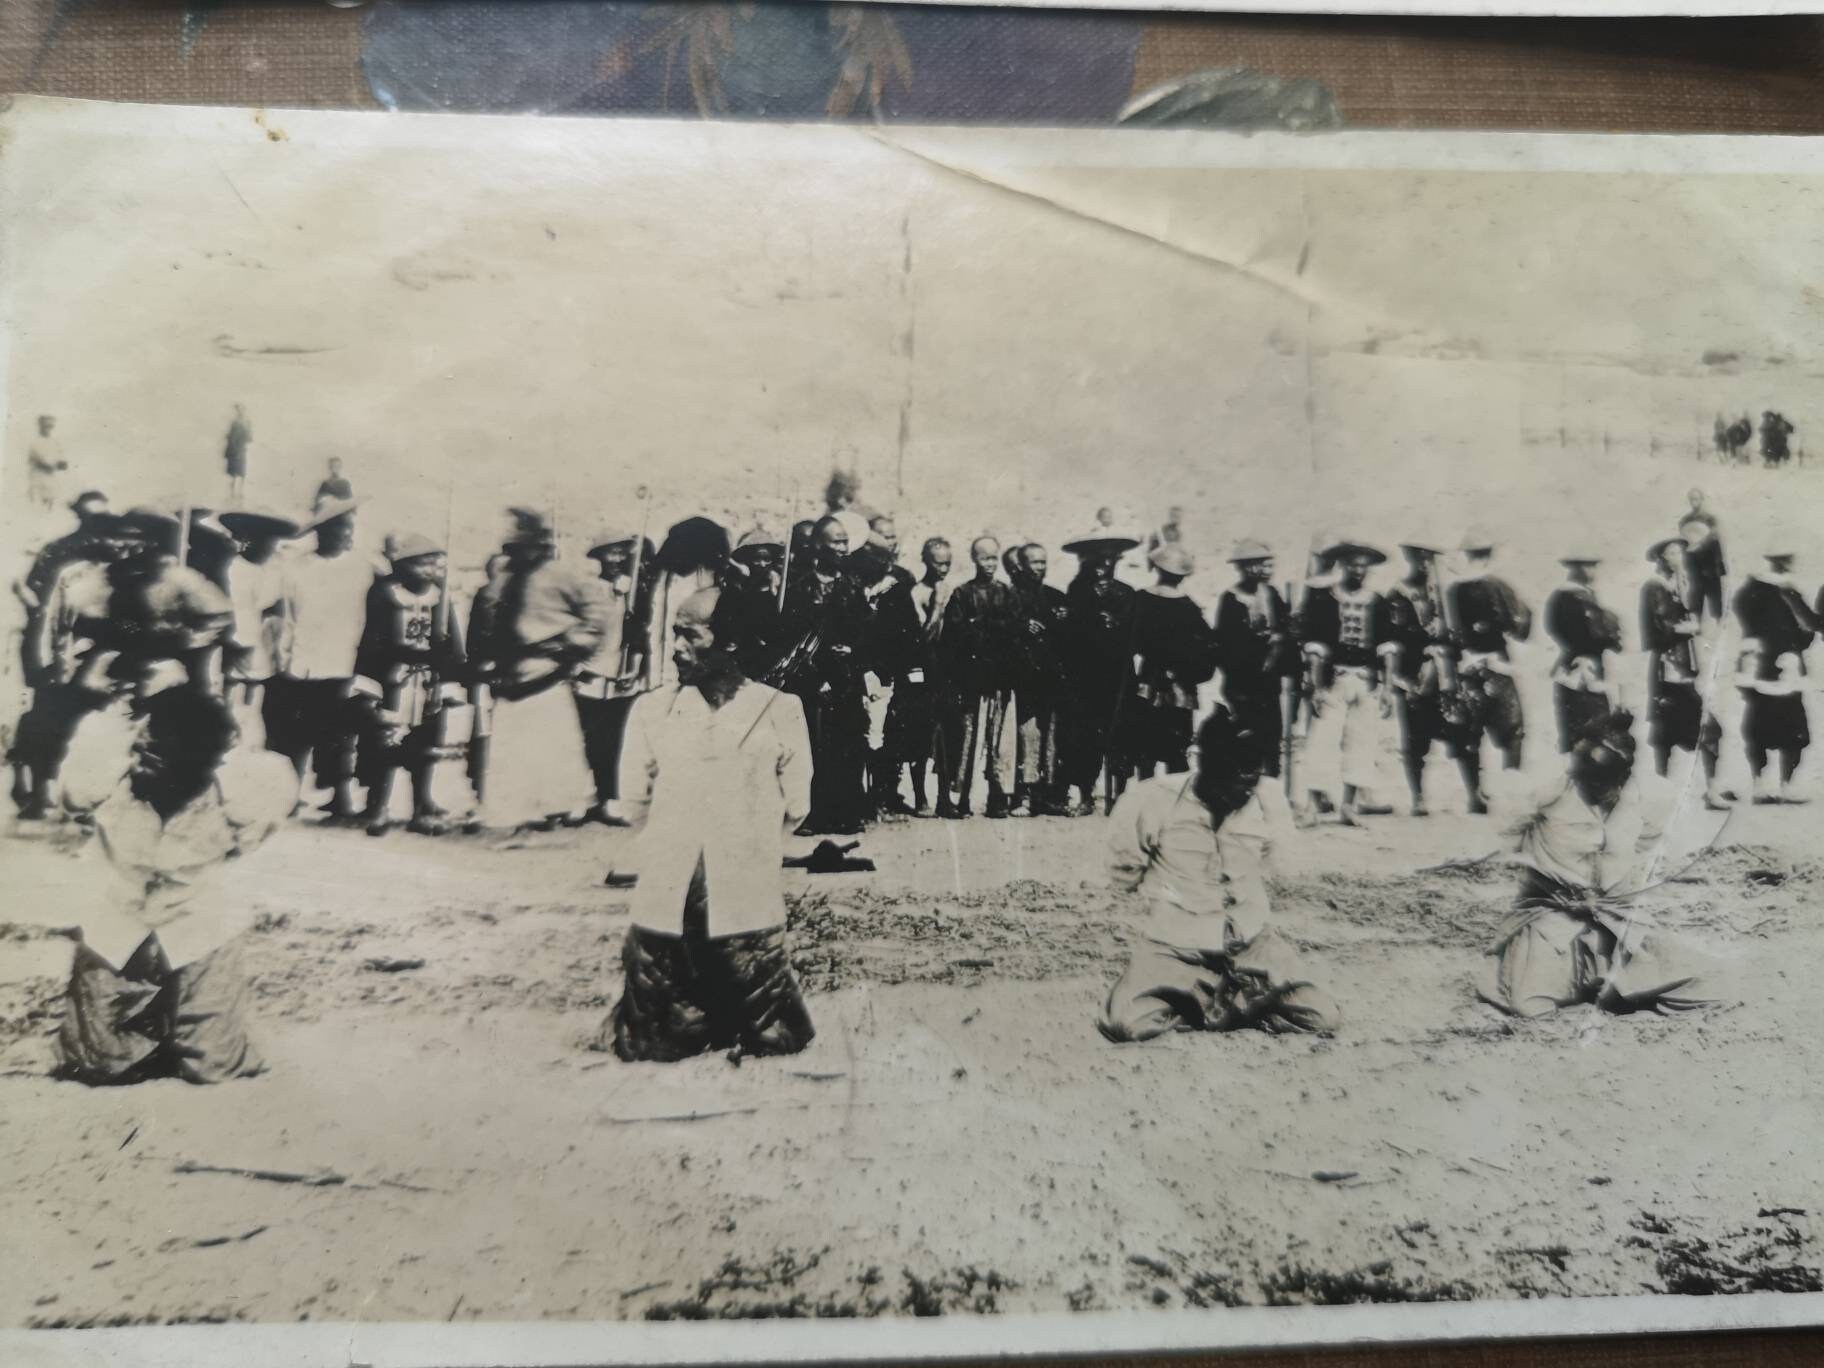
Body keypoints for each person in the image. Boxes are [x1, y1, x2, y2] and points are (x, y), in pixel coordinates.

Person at [600, 586, 816, 1063]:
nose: (675, 647)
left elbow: (797, 804)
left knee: (770, 1037)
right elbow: (634, 800)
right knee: (657, 1037)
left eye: (688, 636)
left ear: (731, 643)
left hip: (744, 900)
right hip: (671, 899)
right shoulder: (652, 710)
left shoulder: (781, 709)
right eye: (674, 634)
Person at [51, 687, 294, 1084]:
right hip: (118, 922)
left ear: (207, 761)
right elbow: (74, 794)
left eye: (163, 757)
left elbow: (253, 834)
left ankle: (179, 1020)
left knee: (211, 1064)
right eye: (145, 748)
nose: (146, 762)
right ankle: (156, 1025)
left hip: (198, 926)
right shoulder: (104, 781)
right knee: (95, 1065)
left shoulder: (243, 793)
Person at [1100, 706, 1340, 1042]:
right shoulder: (1150, 800)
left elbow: (1282, 863)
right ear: (1204, 764)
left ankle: (1226, 1004)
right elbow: (1123, 874)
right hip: (1176, 947)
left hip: (1252, 946)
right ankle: (1208, 1000)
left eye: (1251, 779)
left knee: (1321, 1017)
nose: (1243, 791)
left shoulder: (1269, 799)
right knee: (1125, 1023)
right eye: (1231, 777)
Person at [1479, 710, 1731, 1019]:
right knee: (1532, 1004)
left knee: (1691, 980)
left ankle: (1616, 986)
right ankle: (1587, 983)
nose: (1594, 790)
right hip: (1552, 908)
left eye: (1603, 782)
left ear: (1622, 775)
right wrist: (1551, 884)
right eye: (1586, 779)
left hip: (1614, 909)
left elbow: (1647, 849)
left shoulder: (1646, 799)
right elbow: (1508, 840)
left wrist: (1614, 893)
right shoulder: (1550, 792)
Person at [466, 508, 610, 831]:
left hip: (546, 669)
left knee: (554, 742)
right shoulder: (500, 580)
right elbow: (486, 622)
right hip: (509, 671)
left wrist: (572, 644)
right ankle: (516, 808)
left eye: (522, 542)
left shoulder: (561, 575)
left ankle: (560, 805)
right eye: (511, 544)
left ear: (538, 541)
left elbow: (597, 611)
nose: (517, 550)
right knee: (512, 746)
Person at [266, 497, 380, 821]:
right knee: (295, 735)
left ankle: (341, 799)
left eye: (349, 527)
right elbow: (287, 618)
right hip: (303, 664)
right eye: (338, 528)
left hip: (346, 662)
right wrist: (283, 660)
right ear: (321, 532)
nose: (345, 534)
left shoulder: (364, 567)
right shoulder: (297, 569)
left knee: (340, 736)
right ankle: (288, 797)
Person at [353, 533, 469, 836]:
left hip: (428, 681)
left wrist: (448, 679)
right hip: (393, 679)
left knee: (423, 746)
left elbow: (451, 641)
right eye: (422, 563)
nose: (430, 570)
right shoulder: (383, 594)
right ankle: (379, 809)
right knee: (384, 744)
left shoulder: (439, 597)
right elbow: (371, 641)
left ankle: (420, 810)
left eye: (434, 563)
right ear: (403, 565)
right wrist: (369, 684)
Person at [10, 516, 124, 817]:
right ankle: (41, 796)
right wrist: (47, 666)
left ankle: (90, 801)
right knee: (50, 730)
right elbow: (51, 622)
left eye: (132, 540)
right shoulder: (73, 574)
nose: (123, 545)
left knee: (97, 735)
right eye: (116, 537)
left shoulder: (132, 576)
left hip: (109, 670)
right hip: (67, 666)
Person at [775, 516, 871, 834]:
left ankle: (846, 814)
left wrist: (854, 652)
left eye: (845, 541)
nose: (843, 548)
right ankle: (811, 815)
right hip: (810, 679)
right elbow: (790, 637)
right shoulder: (799, 586)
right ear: (819, 546)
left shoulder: (854, 584)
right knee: (811, 745)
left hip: (846, 678)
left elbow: (866, 632)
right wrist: (817, 676)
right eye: (836, 542)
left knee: (847, 743)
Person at [1297, 538, 1397, 824]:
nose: (1358, 571)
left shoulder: (1378, 602)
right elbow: (1315, 645)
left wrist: (1388, 688)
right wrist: (1316, 687)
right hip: (1333, 680)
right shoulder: (1324, 599)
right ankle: (1313, 807)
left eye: (1363, 567)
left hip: (1366, 682)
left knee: (1362, 742)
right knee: (1322, 740)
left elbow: (1386, 647)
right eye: (1353, 565)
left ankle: (1349, 806)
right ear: (1342, 566)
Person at [573, 530, 656, 826]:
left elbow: (640, 633)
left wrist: (634, 667)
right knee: (584, 736)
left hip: (621, 673)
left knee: (613, 739)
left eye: (622, 552)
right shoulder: (584, 589)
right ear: (598, 557)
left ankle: (609, 798)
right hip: (589, 671)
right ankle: (581, 798)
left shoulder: (636, 589)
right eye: (611, 552)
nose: (618, 558)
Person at [936, 535, 1021, 818]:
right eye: (985, 558)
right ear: (974, 559)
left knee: (999, 739)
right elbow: (955, 637)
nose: (990, 564)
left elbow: (1013, 633)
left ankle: (998, 797)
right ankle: (962, 798)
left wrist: (983, 629)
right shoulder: (962, 594)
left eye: (994, 558)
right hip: (972, 680)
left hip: (1000, 679)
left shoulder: (1007, 593)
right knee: (969, 739)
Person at [1384, 539, 1470, 817]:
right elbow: (1394, 636)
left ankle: (1473, 794)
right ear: (1410, 559)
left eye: (1430, 560)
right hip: (1414, 674)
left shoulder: (1443, 595)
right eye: (1420, 559)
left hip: (1445, 675)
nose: (1426, 565)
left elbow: (1458, 637)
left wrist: (1450, 643)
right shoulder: (1399, 595)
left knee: (1461, 732)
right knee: (1415, 738)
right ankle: (1418, 797)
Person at [1448, 528, 1532, 810]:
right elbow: (1520, 625)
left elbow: (1453, 632)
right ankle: (1509, 792)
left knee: (1469, 734)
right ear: (1490, 554)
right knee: (1513, 730)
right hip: (1497, 665)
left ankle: (1474, 795)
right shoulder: (1499, 587)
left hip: (1467, 666)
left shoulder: (1452, 590)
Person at [1641, 536, 1726, 808]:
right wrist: (1687, 628)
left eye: (1681, 552)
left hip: (1682, 673)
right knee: (1674, 735)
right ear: (1663, 558)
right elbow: (1658, 631)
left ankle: (1708, 791)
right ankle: (1668, 796)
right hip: (1668, 673)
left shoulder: (1680, 587)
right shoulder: (1655, 589)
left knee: (1691, 732)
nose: (1680, 557)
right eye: (1674, 552)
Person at [1734, 548, 1818, 804]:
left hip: (1775, 665)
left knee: (1780, 729)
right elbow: (1810, 627)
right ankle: (1771, 786)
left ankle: (1774, 786)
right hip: (1771, 665)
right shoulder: (1770, 591)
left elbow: (1810, 626)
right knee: (1772, 729)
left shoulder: (1768, 591)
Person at [1211, 539, 1295, 784]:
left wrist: (1283, 639)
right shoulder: (1231, 599)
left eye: (1266, 565)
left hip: (1268, 682)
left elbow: (1284, 630)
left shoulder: (1272, 594)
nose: (1264, 571)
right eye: (1258, 565)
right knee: (1246, 733)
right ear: (1245, 568)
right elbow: (1226, 643)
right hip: (1242, 681)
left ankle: (1271, 784)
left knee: (1272, 733)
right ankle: (1246, 783)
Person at [879, 536, 952, 816]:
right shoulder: (916, 592)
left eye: (948, 564)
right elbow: (921, 637)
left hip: (943, 673)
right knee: (918, 735)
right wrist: (938, 607)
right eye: (938, 563)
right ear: (925, 561)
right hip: (920, 672)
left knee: (944, 736)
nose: (943, 570)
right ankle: (921, 797)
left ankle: (945, 797)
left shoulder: (949, 589)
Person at [1128, 544, 1214, 780]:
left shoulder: (1142, 599)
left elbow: (1131, 641)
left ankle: (1146, 799)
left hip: (1152, 679)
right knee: (1177, 749)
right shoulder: (1190, 607)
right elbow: (1207, 647)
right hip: (1180, 684)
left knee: (1147, 749)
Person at [216, 505, 298, 751]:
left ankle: (258, 742)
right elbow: (241, 609)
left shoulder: (279, 566)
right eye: (255, 536)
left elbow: (285, 603)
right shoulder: (235, 568)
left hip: (272, 635)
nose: (263, 543)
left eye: (268, 538)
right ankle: (233, 738)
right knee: (239, 686)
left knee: (265, 690)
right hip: (244, 636)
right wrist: (242, 640)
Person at [850, 513, 915, 818]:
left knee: (889, 733)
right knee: (861, 733)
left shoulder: (898, 585)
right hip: (858, 670)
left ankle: (886, 792)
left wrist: (911, 671)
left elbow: (909, 633)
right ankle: (860, 795)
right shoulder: (850, 585)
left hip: (888, 670)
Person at [1009, 541, 1072, 815]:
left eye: (1043, 562)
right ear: (1021, 566)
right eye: (1034, 562)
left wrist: (1064, 619)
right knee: (1027, 734)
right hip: (1023, 678)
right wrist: (1021, 627)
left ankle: (1050, 794)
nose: (1039, 568)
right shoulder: (1010, 597)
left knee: (1053, 737)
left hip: (1053, 678)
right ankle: (1024, 794)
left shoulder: (1056, 596)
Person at [1545, 552, 1623, 755]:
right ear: (1575, 568)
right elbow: (1561, 629)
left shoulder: (1583, 595)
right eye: (1588, 565)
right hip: (1580, 667)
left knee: (1589, 723)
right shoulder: (1569, 597)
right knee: (1586, 724)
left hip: (1587, 664)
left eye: (1594, 565)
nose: (1593, 571)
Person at [1678, 489, 1727, 623]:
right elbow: (1683, 540)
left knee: (1715, 596)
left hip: (1710, 564)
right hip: (1694, 564)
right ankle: (1696, 624)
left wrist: (1719, 566)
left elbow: (1715, 539)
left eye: (1697, 499)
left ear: (1702, 500)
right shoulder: (1685, 520)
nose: (1694, 502)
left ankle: (1719, 623)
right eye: (1692, 499)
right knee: (1695, 595)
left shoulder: (1710, 519)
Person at [25, 415, 67, 514]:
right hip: (38, 481)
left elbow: (64, 464)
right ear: (40, 426)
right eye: (46, 425)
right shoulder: (34, 443)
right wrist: (56, 464)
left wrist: (56, 464)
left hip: (52, 481)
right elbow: (47, 464)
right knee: (37, 510)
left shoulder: (55, 442)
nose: (49, 429)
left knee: (51, 509)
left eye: (51, 426)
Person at [222, 404, 251, 506]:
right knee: (238, 473)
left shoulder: (240, 423)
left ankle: (237, 493)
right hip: (238, 450)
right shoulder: (243, 423)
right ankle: (236, 493)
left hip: (237, 450)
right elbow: (249, 438)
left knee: (238, 472)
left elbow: (249, 438)